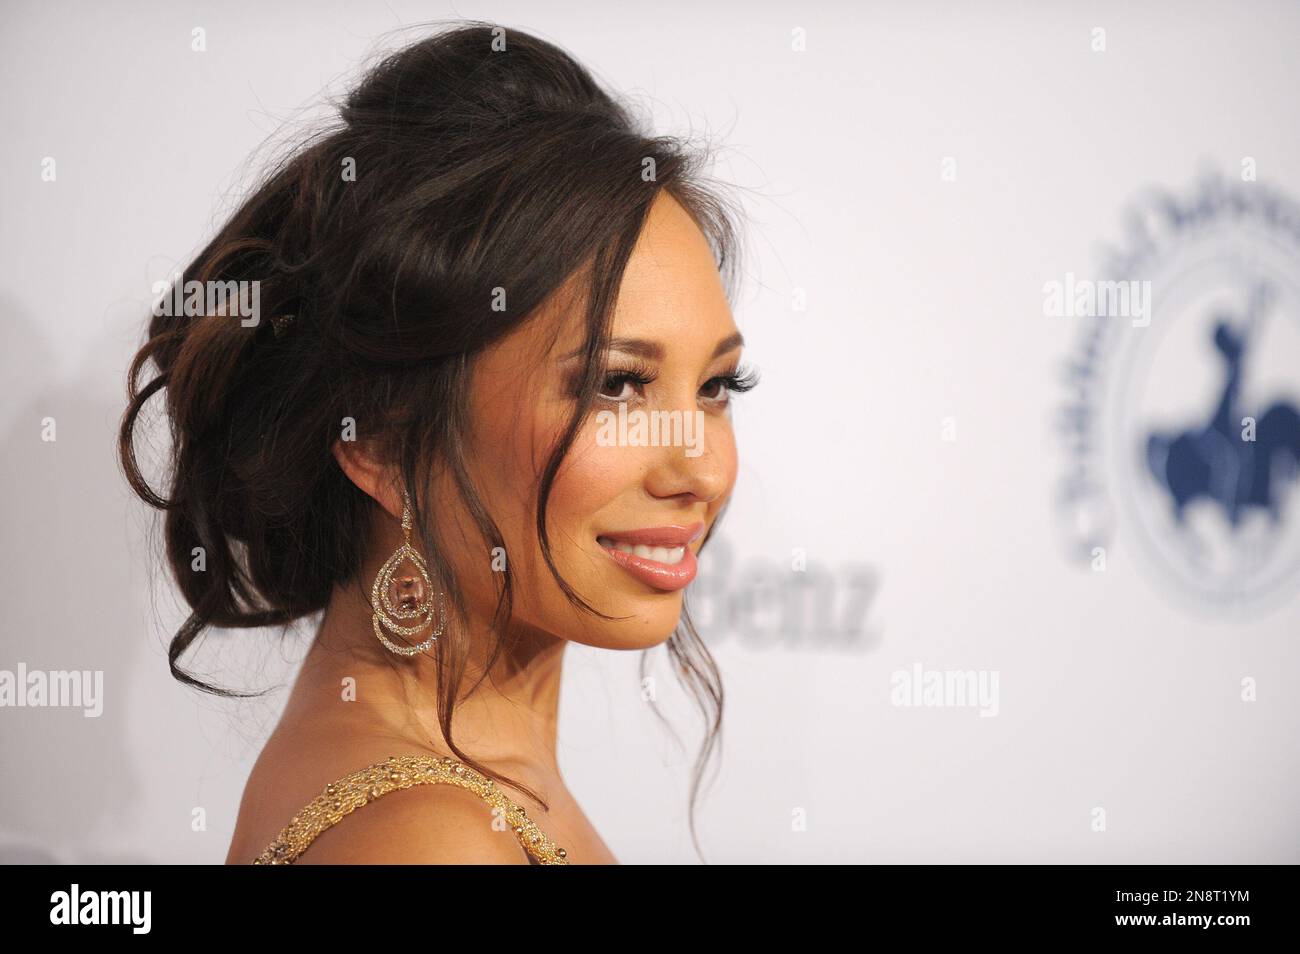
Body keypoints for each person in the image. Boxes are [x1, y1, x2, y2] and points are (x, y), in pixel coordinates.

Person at [118, 21, 755, 864]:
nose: (701, 469)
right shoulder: (427, 841)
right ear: (380, 437)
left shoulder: (458, 789)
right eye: (617, 385)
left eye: (715, 388)